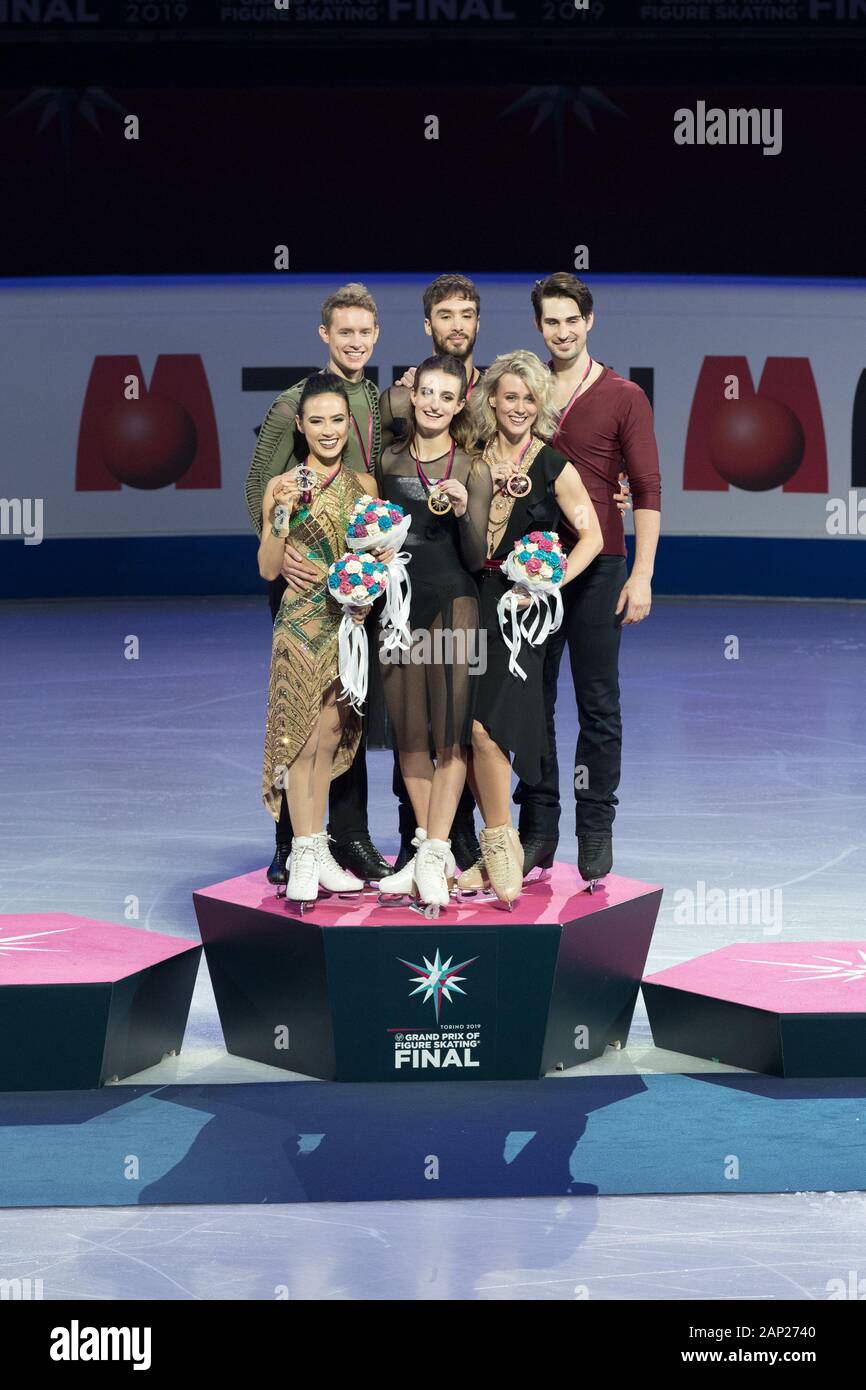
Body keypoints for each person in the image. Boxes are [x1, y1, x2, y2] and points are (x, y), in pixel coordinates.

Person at [513, 273, 661, 887]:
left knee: (598, 704)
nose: (563, 330)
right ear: (539, 327)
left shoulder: (623, 395)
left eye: (572, 319)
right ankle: (538, 829)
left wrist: (643, 573)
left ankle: (595, 829)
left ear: (590, 321)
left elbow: (647, 488)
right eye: (552, 321)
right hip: (534, 569)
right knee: (532, 700)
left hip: (601, 571)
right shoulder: (526, 392)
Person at [244, 283, 391, 887]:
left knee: (335, 729)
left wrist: (373, 574)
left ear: (375, 335)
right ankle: (299, 848)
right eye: (344, 331)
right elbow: (263, 514)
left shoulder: (377, 405)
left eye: (364, 331)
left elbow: (379, 528)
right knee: (298, 732)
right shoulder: (288, 411)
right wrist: (285, 536)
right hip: (302, 605)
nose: (355, 341)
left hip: (350, 615)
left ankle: (332, 844)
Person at [456, 351, 603, 906]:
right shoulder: (469, 457)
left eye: (529, 398)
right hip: (468, 603)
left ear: (540, 405)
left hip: (519, 614)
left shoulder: (553, 465)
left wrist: (549, 582)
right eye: (510, 396)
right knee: (462, 728)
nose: (519, 407)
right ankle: (499, 847)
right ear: (491, 399)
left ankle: (500, 846)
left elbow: (588, 534)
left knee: (486, 729)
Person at [375, 354, 492, 914]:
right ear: (412, 394)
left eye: (447, 397)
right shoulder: (388, 458)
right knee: (410, 736)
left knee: (451, 736)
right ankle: (430, 855)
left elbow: (477, 555)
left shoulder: (473, 466)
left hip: (454, 603)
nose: (434, 404)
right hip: (398, 605)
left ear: (460, 403)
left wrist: (469, 510)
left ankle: (436, 850)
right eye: (426, 393)